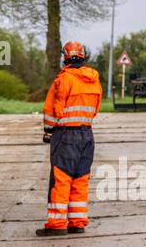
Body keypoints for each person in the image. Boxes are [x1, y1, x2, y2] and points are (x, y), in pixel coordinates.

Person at [37, 41, 101, 236]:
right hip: (87, 134)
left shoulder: (63, 79)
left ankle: (57, 225)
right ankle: (77, 222)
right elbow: (96, 108)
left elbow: (50, 110)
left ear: (65, 57)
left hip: (65, 135)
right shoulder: (94, 79)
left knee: (61, 179)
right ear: (83, 56)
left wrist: (48, 132)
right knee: (80, 179)